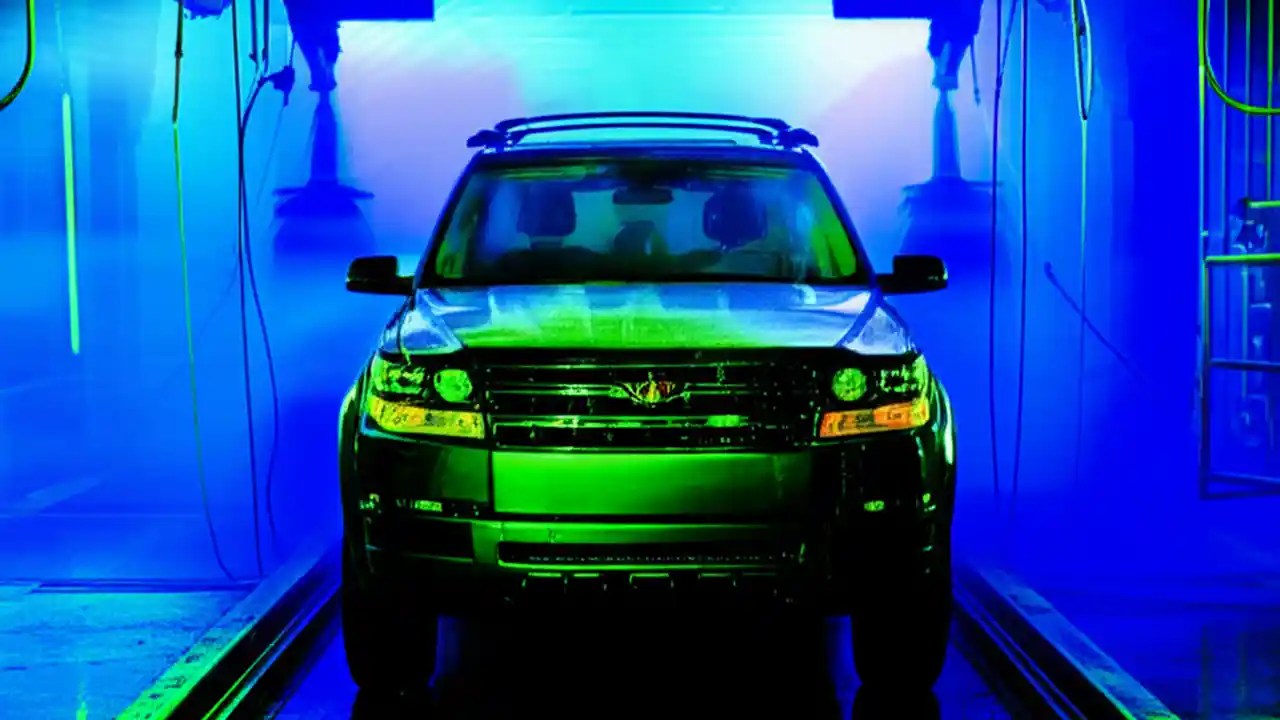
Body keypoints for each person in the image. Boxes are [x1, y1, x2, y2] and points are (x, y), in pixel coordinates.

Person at [928, 0, 983, 91]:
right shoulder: (939, 50)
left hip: (955, 25)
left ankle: (946, 78)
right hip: (957, 26)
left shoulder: (938, 50)